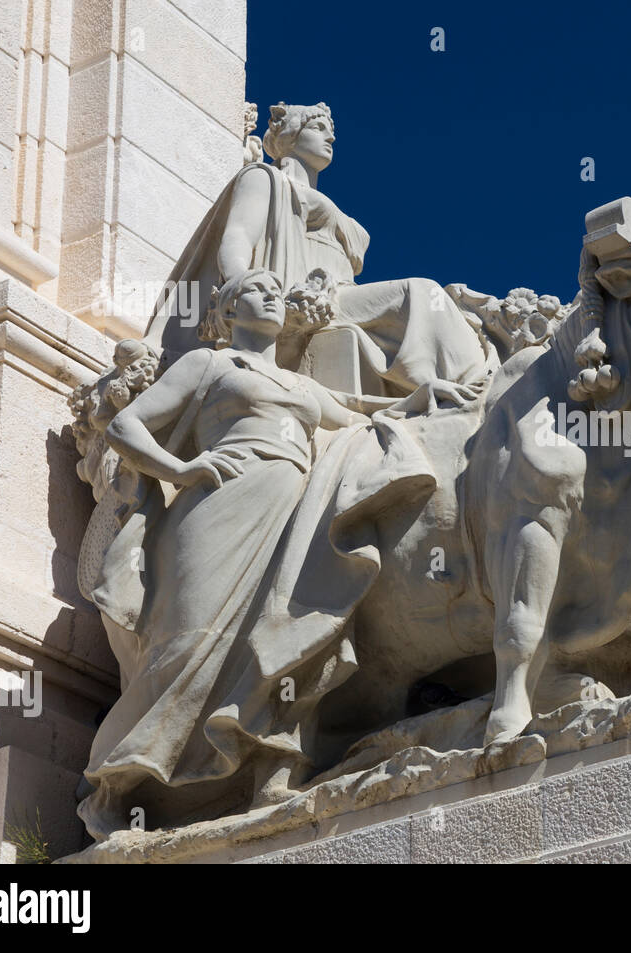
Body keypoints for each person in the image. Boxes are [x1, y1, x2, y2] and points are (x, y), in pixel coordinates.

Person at [79, 268, 460, 838]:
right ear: (228, 310)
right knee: (186, 646)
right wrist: (182, 468)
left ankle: (265, 770)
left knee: (280, 638)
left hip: (291, 515)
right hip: (216, 509)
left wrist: (426, 396)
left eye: (278, 292)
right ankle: (112, 786)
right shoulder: (209, 365)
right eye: (258, 290)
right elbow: (127, 428)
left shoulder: (301, 387)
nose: (274, 299)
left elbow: (364, 411)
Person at [145, 101, 493, 399]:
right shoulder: (265, 177)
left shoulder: (323, 201)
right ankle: (476, 387)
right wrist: (241, 285)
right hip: (304, 297)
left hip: (337, 297)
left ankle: (451, 384)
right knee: (419, 291)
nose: (331, 137)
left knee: (447, 307)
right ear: (291, 134)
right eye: (320, 127)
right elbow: (237, 235)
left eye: (331, 131)